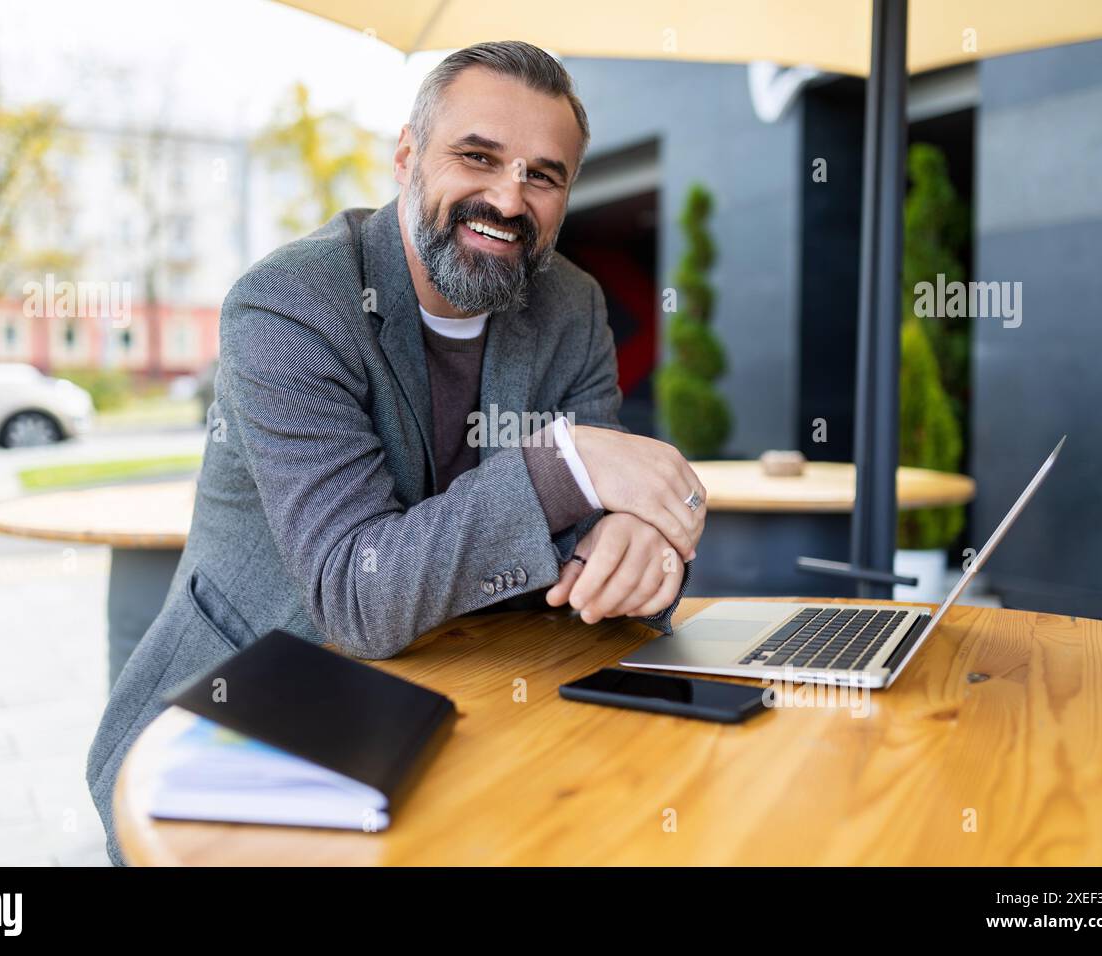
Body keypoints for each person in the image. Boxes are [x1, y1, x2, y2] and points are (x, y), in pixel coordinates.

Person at [87, 39, 707, 865]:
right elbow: (357, 594)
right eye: (478, 156)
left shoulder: (571, 305)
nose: (508, 197)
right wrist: (570, 464)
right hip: (254, 720)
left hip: (477, 707)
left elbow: (592, 523)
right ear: (408, 156)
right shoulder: (291, 306)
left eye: (543, 175)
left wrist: (636, 551)